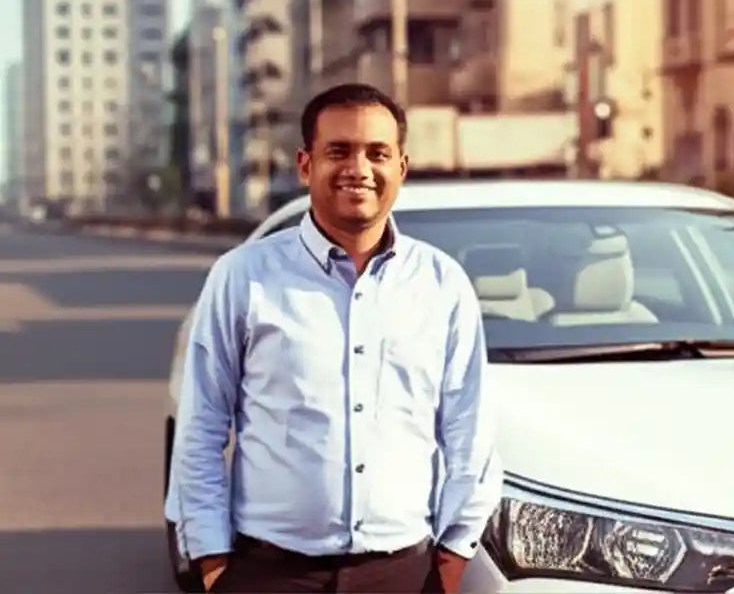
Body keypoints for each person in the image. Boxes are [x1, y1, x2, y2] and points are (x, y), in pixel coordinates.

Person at [164, 83, 502, 593]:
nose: (358, 169)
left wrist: (453, 559)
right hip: (271, 572)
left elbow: (468, 432)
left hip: (405, 573)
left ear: (401, 169)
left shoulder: (441, 284)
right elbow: (201, 427)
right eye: (338, 151)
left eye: (377, 153)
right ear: (306, 165)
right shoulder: (244, 276)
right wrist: (213, 564)